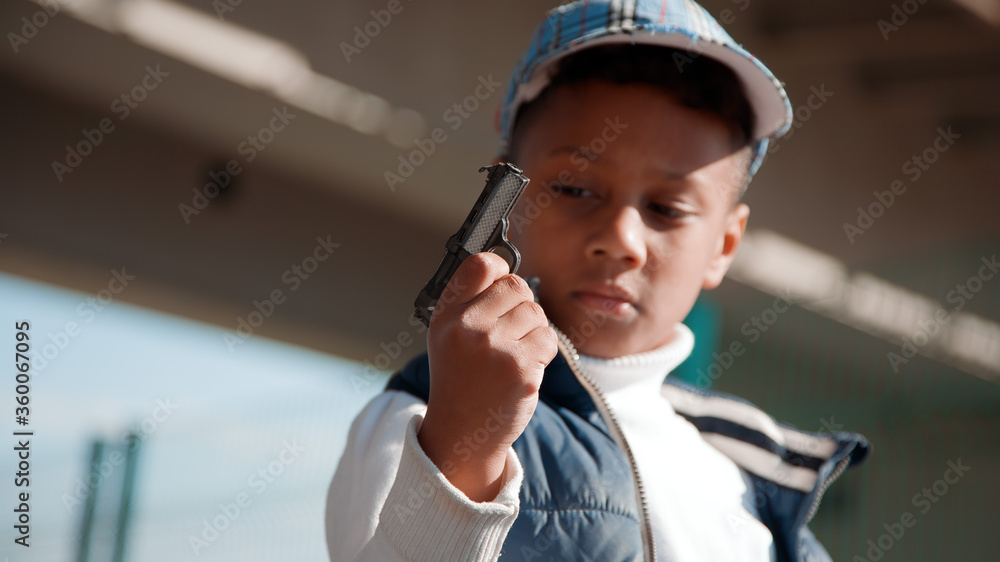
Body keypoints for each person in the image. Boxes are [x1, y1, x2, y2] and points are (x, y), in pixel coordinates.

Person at [326, 1, 870, 560]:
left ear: (724, 246)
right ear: (502, 204)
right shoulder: (422, 421)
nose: (621, 239)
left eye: (666, 208)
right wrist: (465, 447)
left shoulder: (748, 473)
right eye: (575, 190)